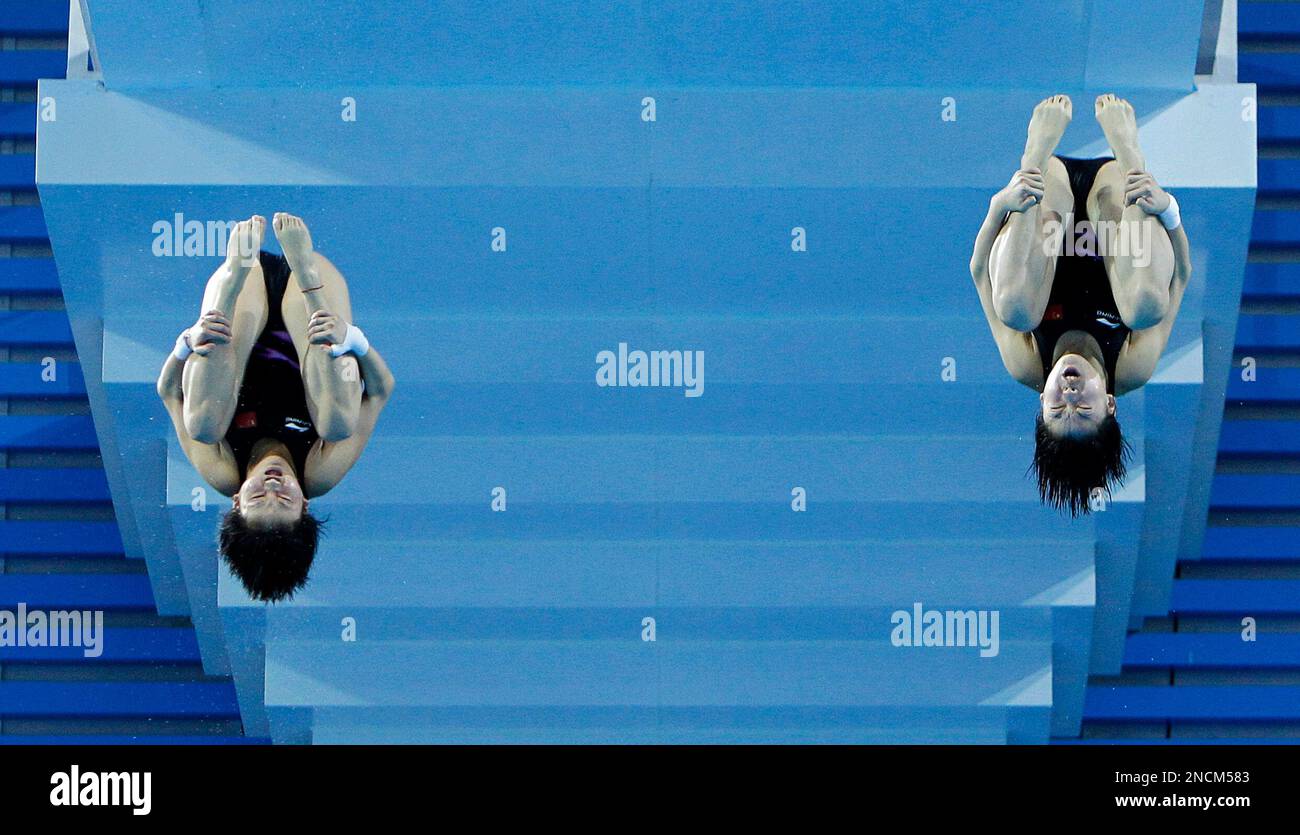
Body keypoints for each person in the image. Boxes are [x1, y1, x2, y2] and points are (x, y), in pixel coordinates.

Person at [969, 95, 1192, 515]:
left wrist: (1000, 206)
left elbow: (979, 271)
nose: (1069, 393)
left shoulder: (1025, 364)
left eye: (1057, 407)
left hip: (1046, 200)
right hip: (1116, 200)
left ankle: (1030, 161)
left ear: (1041, 402)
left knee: (1015, 307)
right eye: (1083, 407)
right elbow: (1181, 275)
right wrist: (1168, 209)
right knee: (1145, 306)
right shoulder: (1131, 367)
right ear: (1110, 403)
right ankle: (1134, 159)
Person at [156, 213, 395, 599]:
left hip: (239, 302)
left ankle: (228, 284)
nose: (272, 485)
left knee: (201, 422)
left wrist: (187, 342)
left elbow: (168, 391)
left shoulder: (220, 469)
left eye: (257, 497)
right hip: (311, 297)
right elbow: (381, 390)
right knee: (338, 423)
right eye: (284, 498)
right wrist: (352, 339)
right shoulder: (320, 473)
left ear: (236, 499)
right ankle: (312, 289)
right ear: (304, 504)